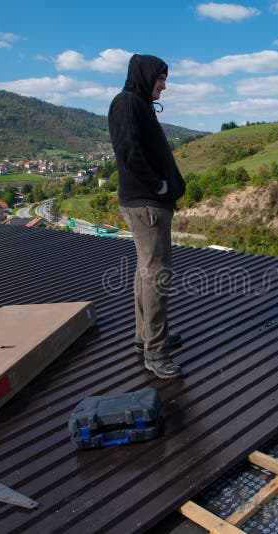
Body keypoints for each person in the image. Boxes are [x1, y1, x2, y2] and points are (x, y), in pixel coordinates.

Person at [108, 54, 186, 379]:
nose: (164, 86)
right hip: (147, 205)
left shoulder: (136, 102)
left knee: (146, 273)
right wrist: (158, 185)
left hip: (146, 203)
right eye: (161, 79)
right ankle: (156, 352)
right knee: (157, 276)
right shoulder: (127, 103)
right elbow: (128, 151)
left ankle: (147, 339)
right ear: (146, 75)